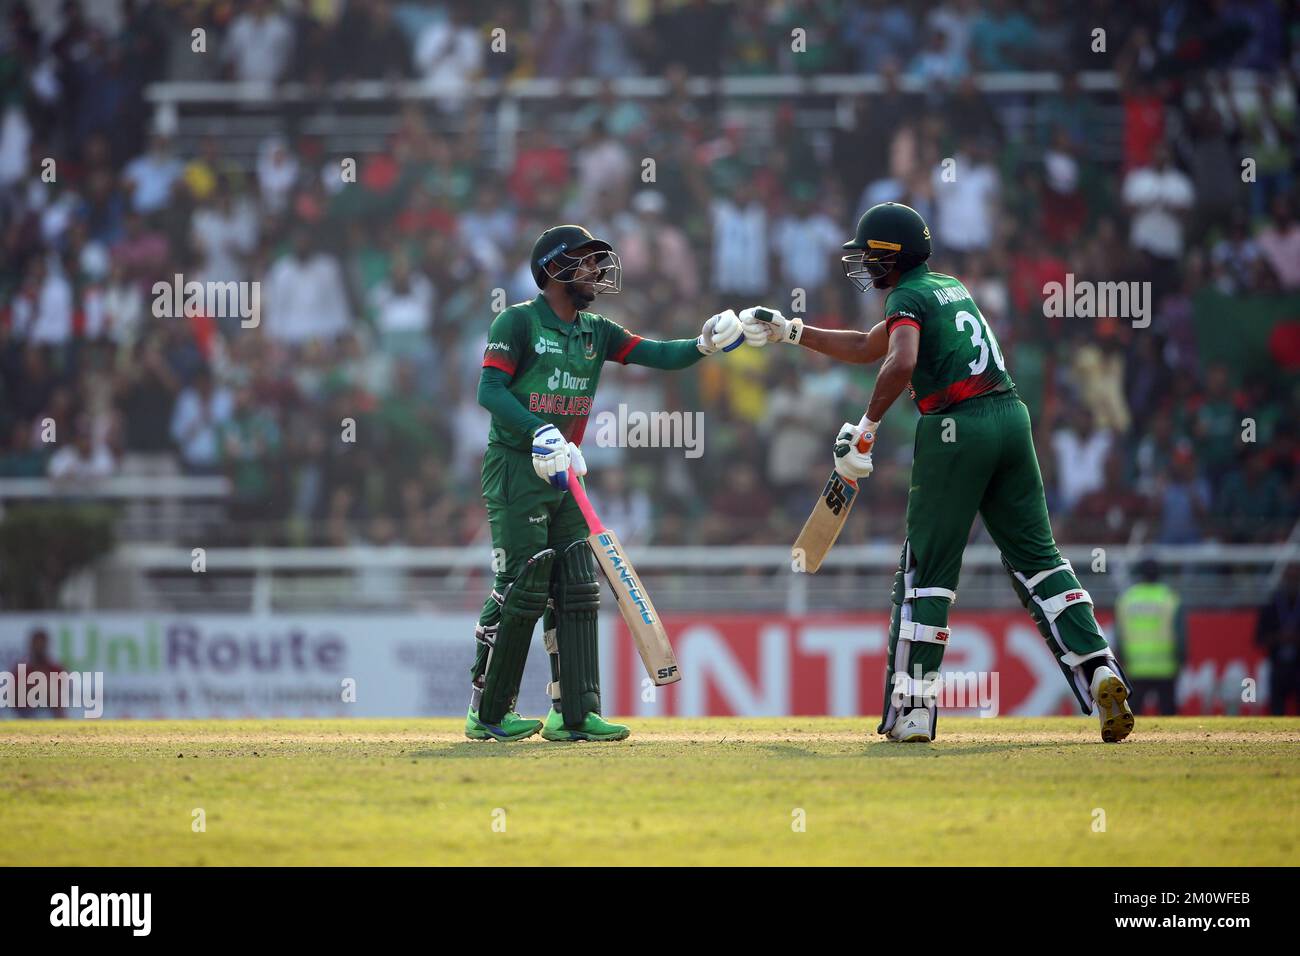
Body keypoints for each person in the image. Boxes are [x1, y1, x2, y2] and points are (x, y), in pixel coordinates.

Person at [738, 201, 1135, 743]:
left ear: (890, 256)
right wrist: (793, 330)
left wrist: (867, 427)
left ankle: (914, 710)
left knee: (926, 574)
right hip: (1011, 420)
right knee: (1040, 561)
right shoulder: (948, 287)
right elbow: (868, 346)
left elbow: (899, 362)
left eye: (869, 256)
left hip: (955, 428)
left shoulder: (905, 295)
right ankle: (1101, 671)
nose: (863, 266)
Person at [468, 224, 742, 742]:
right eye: (586, 261)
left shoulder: (596, 330)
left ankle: (572, 714)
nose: (597, 271)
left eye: (598, 260)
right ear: (554, 270)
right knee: (522, 584)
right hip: (515, 467)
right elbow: (489, 390)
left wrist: (703, 345)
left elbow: (659, 354)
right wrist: (538, 431)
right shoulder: (518, 321)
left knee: (575, 584)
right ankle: (487, 712)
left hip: (564, 470)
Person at [1113, 558, 1185, 715]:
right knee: (1168, 713)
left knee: (1132, 714)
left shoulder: (1127, 599)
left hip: (1135, 666)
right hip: (1165, 666)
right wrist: (1181, 658)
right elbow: (1180, 634)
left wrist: (1121, 659)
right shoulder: (1170, 598)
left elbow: (1119, 634)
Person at [1255, 565, 1300, 715]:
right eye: (1290, 578)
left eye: (1296, 578)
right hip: (1277, 665)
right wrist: (1278, 638)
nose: (1293, 582)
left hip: (1298, 665)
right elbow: (1259, 638)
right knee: (1276, 709)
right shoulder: (1273, 605)